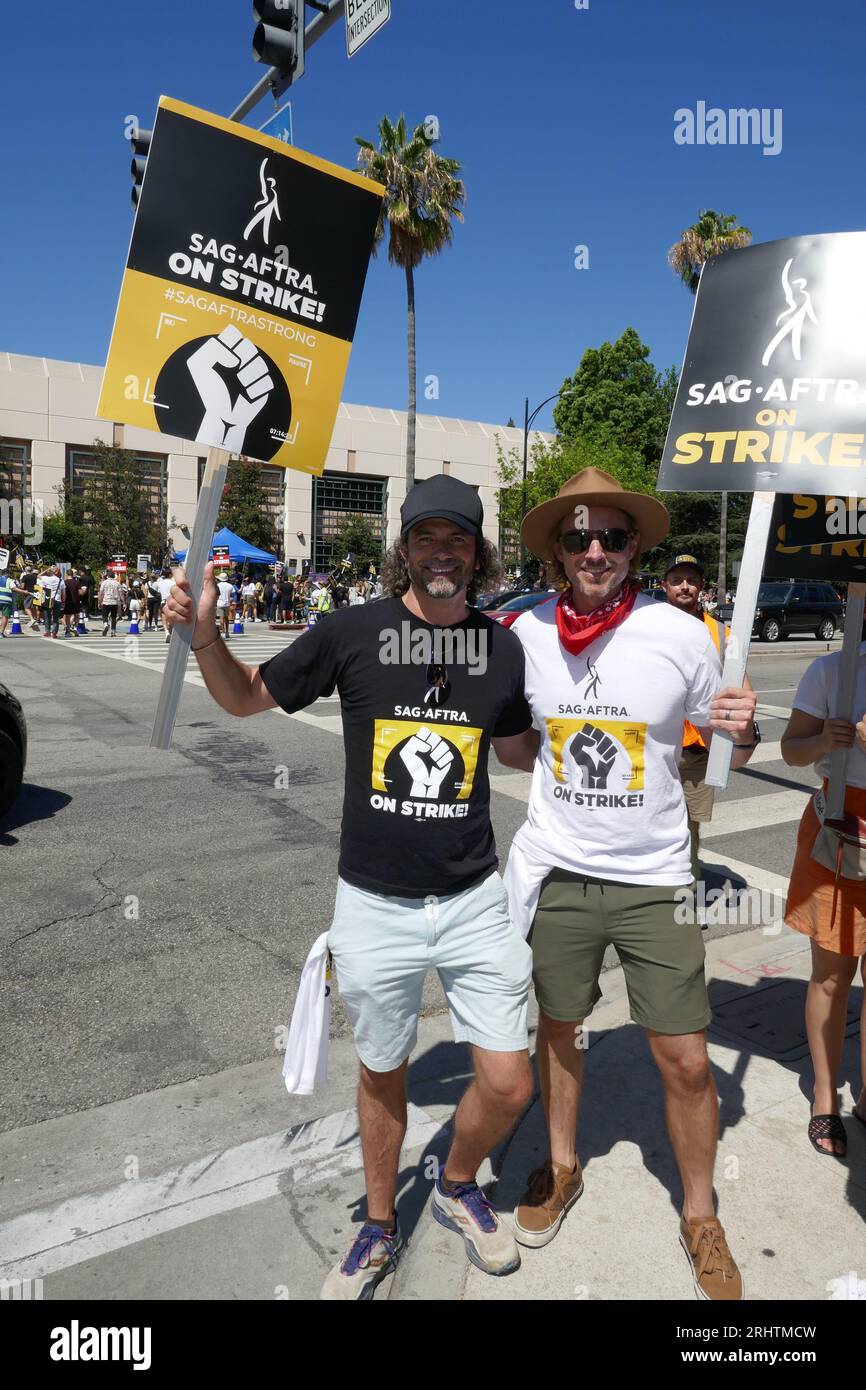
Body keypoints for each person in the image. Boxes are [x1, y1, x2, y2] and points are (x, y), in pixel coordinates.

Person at [165, 475, 537, 1300]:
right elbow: (245, 698)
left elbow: (518, 749)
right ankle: (377, 1222)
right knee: (383, 1066)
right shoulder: (351, 632)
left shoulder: (500, 646)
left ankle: (456, 1181)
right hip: (373, 901)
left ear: (479, 554)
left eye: (460, 540)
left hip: (474, 897)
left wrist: (617, 731)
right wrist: (202, 639)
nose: (443, 553)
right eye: (428, 539)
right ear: (403, 547)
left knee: (511, 1080)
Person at [495, 468, 757, 1301]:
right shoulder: (526, 633)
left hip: (655, 875)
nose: (595, 550)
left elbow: (723, 755)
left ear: (636, 545)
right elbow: (515, 749)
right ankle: (562, 1164)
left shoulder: (682, 634)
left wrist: (740, 735)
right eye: (577, 538)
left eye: (611, 535)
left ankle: (700, 1215)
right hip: (562, 869)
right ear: (556, 552)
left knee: (683, 1056)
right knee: (561, 1032)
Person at [780, 648, 866, 1158]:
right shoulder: (832, 671)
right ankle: (825, 1093)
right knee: (831, 976)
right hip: (838, 835)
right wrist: (825, 739)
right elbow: (791, 750)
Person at [661, 554, 758, 882]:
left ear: (701, 587)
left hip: (698, 752)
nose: (684, 586)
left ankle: (685, 891)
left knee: (689, 827)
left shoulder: (722, 633)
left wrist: (744, 725)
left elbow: (742, 686)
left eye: (691, 580)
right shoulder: (650, 627)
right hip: (655, 746)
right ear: (664, 586)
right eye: (677, 580)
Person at [39, 565, 64, 638]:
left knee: (47, 617)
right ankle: (54, 633)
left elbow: (38, 576)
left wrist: (47, 569)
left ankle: (47, 631)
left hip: (48, 599)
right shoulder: (61, 580)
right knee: (56, 617)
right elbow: (63, 592)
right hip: (58, 600)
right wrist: (63, 602)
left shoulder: (47, 579)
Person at [0, 569, 26, 636]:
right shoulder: (9, 580)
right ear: (7, 574)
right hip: (6, 601)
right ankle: (1, 633)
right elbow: (14, 588)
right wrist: (24, 592)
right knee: (5, 616)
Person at [98, 569, 123, 636]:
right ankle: (113, 631)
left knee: (104, 615)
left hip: (106, 601)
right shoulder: (117, 583)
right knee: (114, 617)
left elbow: (101, 593)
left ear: (108, 576)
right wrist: (123, 602)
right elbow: (121, 594)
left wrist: (99, 602)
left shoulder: (104, 583)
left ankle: (105, 624)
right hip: (115, 602)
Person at [156, 571, 175, 643]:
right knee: (171, 619)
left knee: (164, 619)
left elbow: (159, 593)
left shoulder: (160, 583)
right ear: (170, 574)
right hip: (171, 602)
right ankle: (171, 633)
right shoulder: (173, 583)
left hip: (163, 602)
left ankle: (167, 632)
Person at [62, 569, 81, 637]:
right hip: (76, 600)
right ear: (72, 574)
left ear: (66, 574)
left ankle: (68, 630)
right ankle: (75, 627)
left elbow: (63, 592)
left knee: (67, 616)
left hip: (67, 601)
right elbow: (79, 593)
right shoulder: (76, 582)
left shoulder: (64, 582)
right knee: (77, 615)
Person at [215, 572, 233, 639]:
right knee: (226, 618)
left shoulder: (218, 585)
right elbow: (232, 594)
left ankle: (223, 632)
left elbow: (216, 594)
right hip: (227, 603)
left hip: (219, 603)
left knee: (221, 618)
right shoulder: (230, 586)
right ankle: (227, 632)